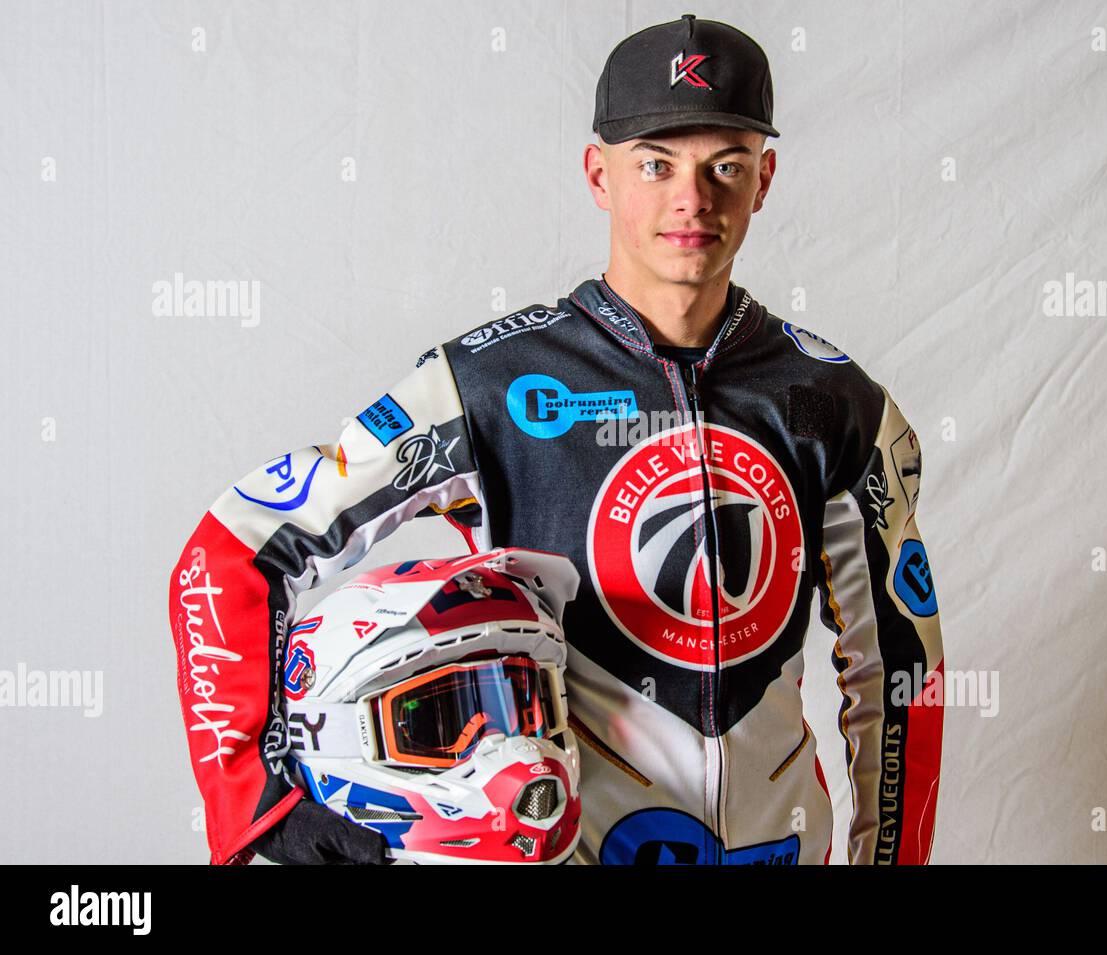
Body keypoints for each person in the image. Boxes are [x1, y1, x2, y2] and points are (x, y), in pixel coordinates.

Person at [168, 12, 945, 866]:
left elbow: (899, 673)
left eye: (724, 164)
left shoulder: (837, 399)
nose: (692, 198)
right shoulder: (484, 383)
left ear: (764, 179)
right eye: (656, 164)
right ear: (598, 176)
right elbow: (234, 547)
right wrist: (256, 803)